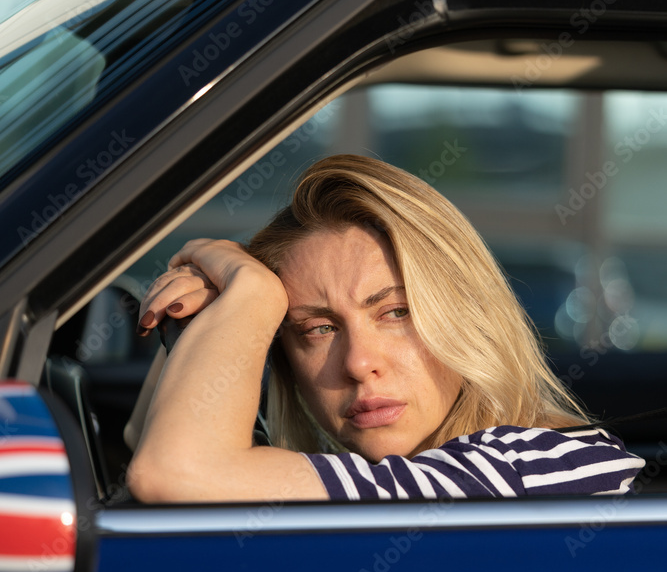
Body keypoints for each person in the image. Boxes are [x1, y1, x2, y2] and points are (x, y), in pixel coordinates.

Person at [126, 154, 644, 502]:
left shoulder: (529, 469)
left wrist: (251, 291)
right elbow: (144, 438)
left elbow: (172, 469)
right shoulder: (418, 480)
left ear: (467, 315)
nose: (357, 363)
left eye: (396, 313)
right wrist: (220, 310)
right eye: (317, 329)